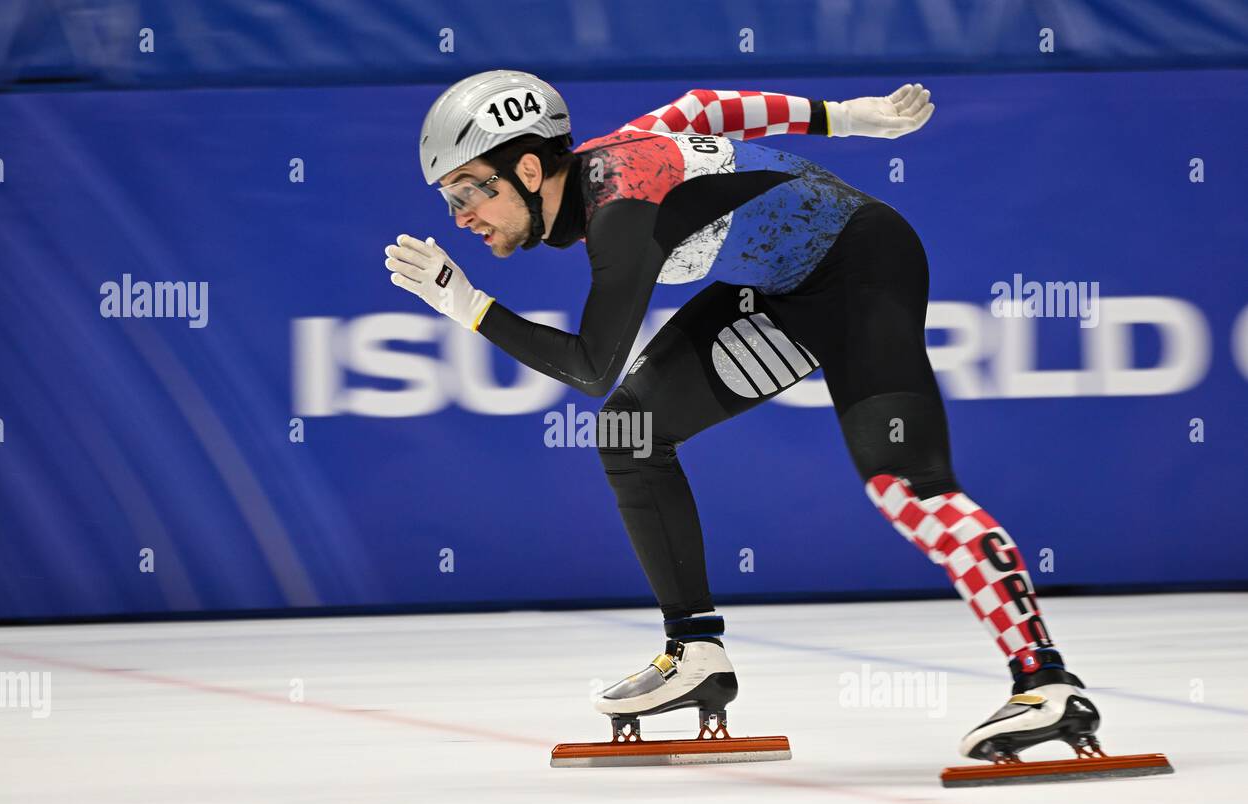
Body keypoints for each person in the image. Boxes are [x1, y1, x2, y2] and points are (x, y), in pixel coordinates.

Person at [386, 71, 1103, 763]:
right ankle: (695, 650)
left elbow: (590, 366)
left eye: (469, 191)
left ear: (532, 171)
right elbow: (708, 107)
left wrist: (468, 306)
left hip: (862, 270)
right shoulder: (619, 151)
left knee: (908, 488)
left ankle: (1045, 681)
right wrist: (847, 117)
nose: (460, 217)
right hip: (780, 291)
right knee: (631, 432)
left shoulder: (622, 215)